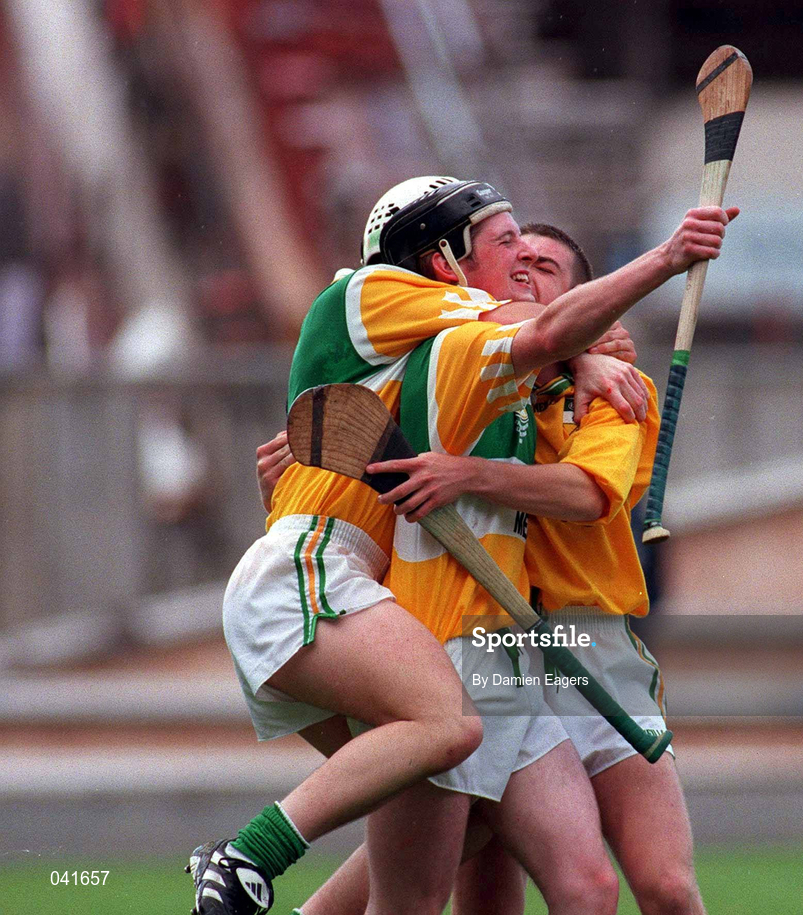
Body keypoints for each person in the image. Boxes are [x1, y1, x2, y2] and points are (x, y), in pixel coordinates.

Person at [205, 175, 735, 915]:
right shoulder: (394, 314)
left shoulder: (590, 387)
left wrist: (574, 359)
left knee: (583, 883)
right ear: (443, 263)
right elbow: (535, 332)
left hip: (546, 648)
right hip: (410, 618)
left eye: (544, 263)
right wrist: (633, 289)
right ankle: (243, 860)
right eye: (509, 244)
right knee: (426, 844)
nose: (524, 259)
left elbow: (587, 482)